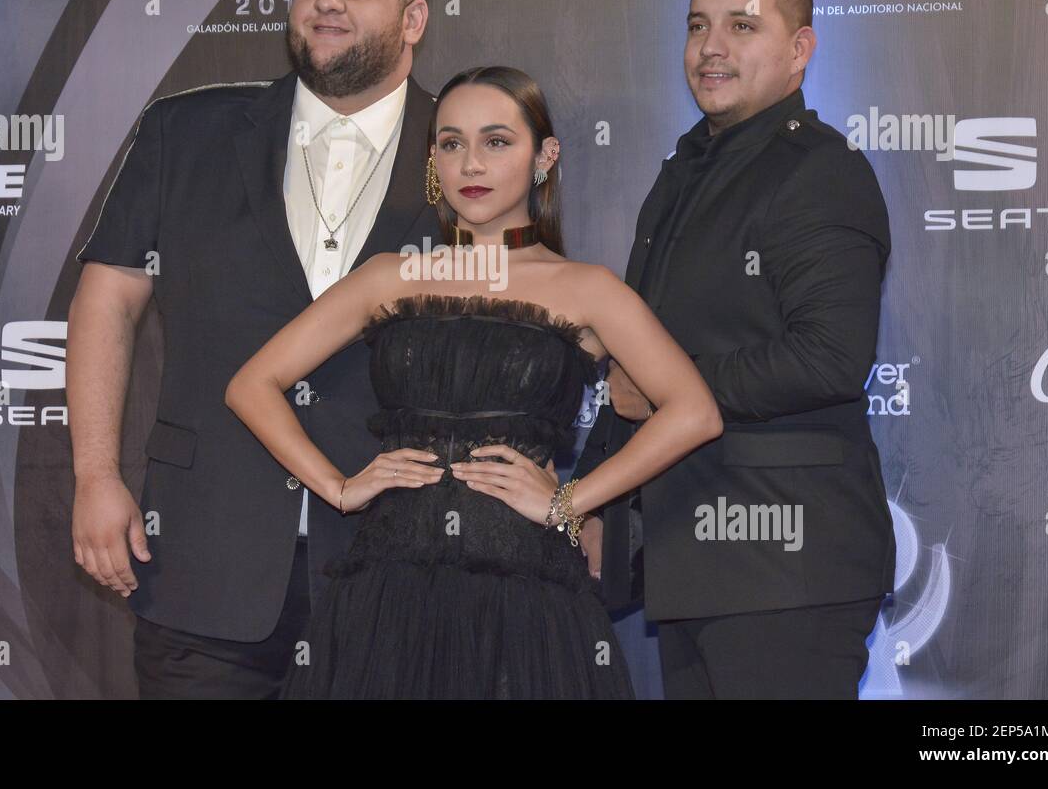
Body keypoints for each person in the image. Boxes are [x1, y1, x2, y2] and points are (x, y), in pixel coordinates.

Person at [225, 66, 723, 698]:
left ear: (545, 157)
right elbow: (252, 384)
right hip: (388, 593)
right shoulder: (389, 277)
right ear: (434, 161)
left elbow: (693, 411)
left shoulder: (586, 288)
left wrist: (570, 502)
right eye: (452, 143)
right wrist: (340, 488)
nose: (471, 164)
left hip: (526, 596)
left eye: (496, 141)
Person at [67, 0, 443, 697]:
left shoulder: (466, 153)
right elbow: (108, 299)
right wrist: (95, 475)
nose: (327, 2)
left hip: (401, 578)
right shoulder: (185, 132)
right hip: (202, 561)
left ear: (413, 19)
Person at [574, 0, 896, 699]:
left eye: (742, 25)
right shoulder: (684, 170)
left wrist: (666, 392)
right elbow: (638, 360)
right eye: (698, 25)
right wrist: (593, 498)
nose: (711, 47)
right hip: (692, 563)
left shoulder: (821, 172)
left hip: (788, 569)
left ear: (799, 49)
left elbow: (829, 358)